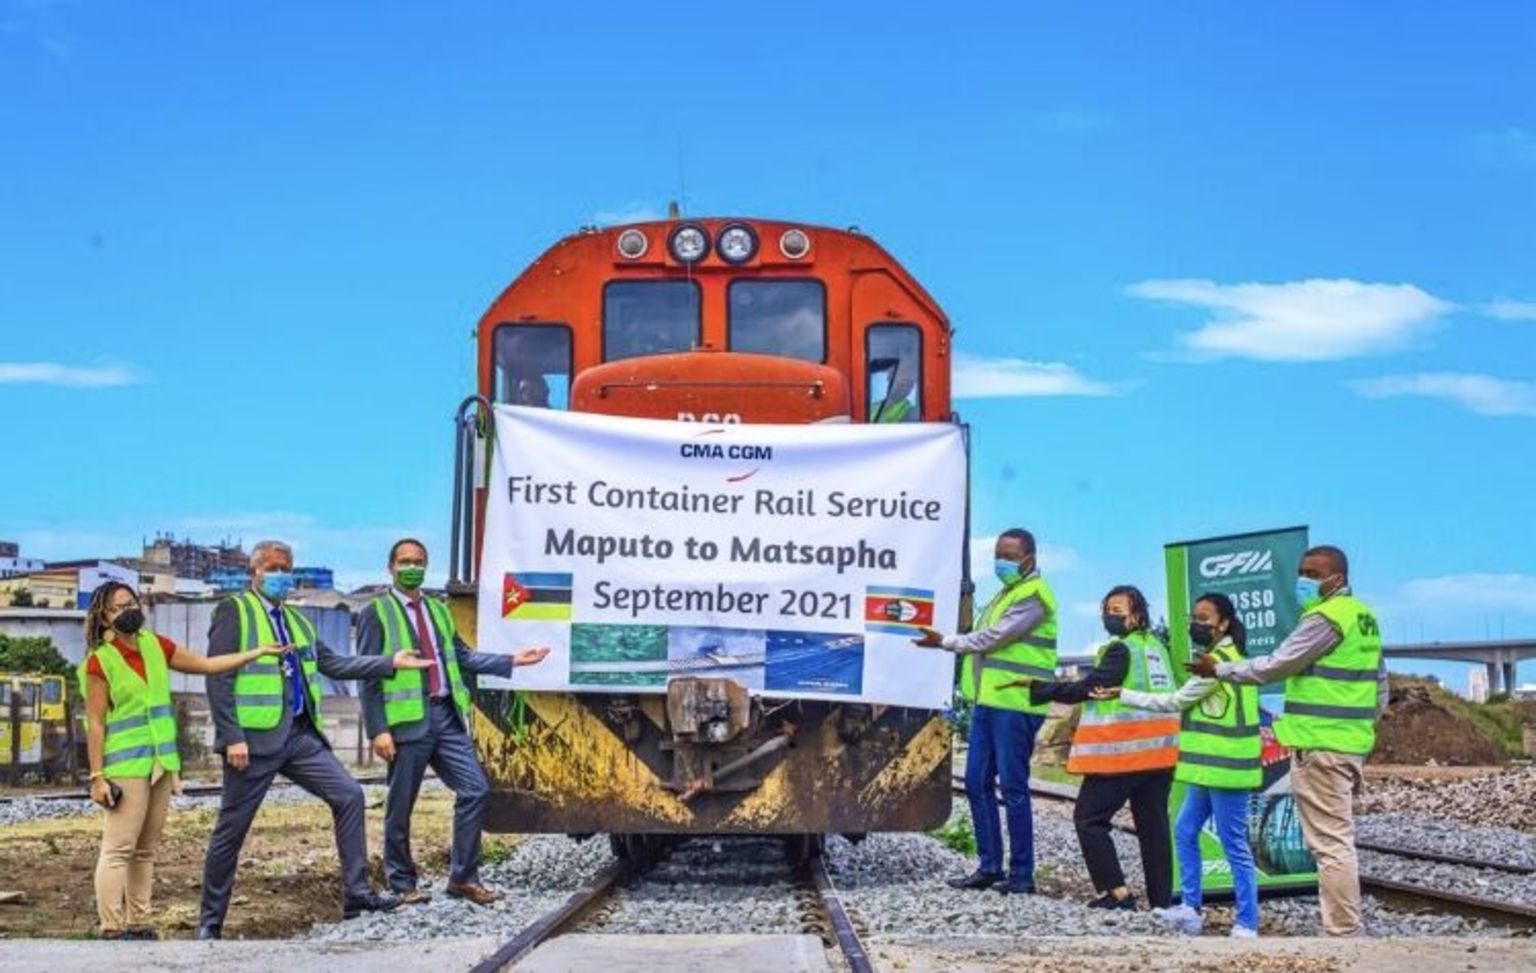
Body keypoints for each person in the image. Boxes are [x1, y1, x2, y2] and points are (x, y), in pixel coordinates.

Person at [198, 540, 436, 939]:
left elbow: (334, 664)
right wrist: (231, 736)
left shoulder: (298, 621)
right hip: (254, 741)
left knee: (349, 795)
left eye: (286, 568)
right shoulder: (234, 611)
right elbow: (217, 675)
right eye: (273, 568)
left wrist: (389, 662)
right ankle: (210, 923)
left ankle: (358, 894)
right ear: (255, 572)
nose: (281, 575)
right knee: (231, 829)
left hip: (299, 735)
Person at [1189, 545, 1383, 936]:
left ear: (1337, 579)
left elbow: (1277, 664)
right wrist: (1359, 729)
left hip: (1320, 745)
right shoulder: (1364, 617)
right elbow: (1380, 687)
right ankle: (1346, 929)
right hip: (1348, 744)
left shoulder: (1326, 618)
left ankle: (1344, 933)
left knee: (1330, 845)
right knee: (1337, 840)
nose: (1303, 581)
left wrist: (1220, 670)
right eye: (1302, 573)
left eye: (1313, 574)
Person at [79, 581, 289, 940]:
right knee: (119, 848)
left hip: (161, 762)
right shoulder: (101, 661)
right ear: (102, 618)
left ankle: (139, 923)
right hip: (125, 765)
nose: (128, 611)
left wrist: (256, 653)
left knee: (145, 850)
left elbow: (207, 665)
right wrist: (97, 776)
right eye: (117, 608)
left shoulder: (155, 645)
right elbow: (95, 723)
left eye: (131, 603)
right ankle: (112, 927)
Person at [358, 539, 550, 905]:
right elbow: (367, 675)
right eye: (404, 561)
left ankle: (463, 878)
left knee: (475, 789)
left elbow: (462, 657)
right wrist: (378, 729)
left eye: (418, 561)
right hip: (406, 722)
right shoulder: (375, 612)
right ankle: (401, 883)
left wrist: (512, 660)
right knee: (401, 805)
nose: (412, 567)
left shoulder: (438, 610)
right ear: (391, 568)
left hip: (446, 717)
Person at [1093, 593, 1261, 937]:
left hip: (1228, 768)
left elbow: (1174, 701)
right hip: (1206, 768)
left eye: (1204, 619)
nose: (1195, 625)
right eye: (1193, 618)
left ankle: (1247, 922)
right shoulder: (1223, 658)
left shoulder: (1217, 664)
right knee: (1184, 831)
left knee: (1234, 845)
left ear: (1224, 623)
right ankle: (1190, 908)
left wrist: (1122, 694)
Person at [913, 528, 1057, 895]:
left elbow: (995, 638)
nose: (1001, 561)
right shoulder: (1004, 594)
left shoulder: (1033, 596)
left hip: (1016, 705)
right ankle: (989, 866)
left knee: (1012, 787)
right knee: (976, 782)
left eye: (1009, 556)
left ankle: (1022, 874)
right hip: (989, 703)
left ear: (1029, 559)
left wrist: (946, 642)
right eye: (998, 554)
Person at [1023, 585, 1178, 910]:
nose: (1110, 617)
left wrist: (1040, 690)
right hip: (1160, 755)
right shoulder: (1157, 649)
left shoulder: (1121, 650)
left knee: (1089, 819)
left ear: (1137, 615)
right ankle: (1162, 904)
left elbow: (1089, 687)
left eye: (1117, 611)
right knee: (1154, 830)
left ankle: (1117, 893)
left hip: (1124, 754)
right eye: (1107, 611)